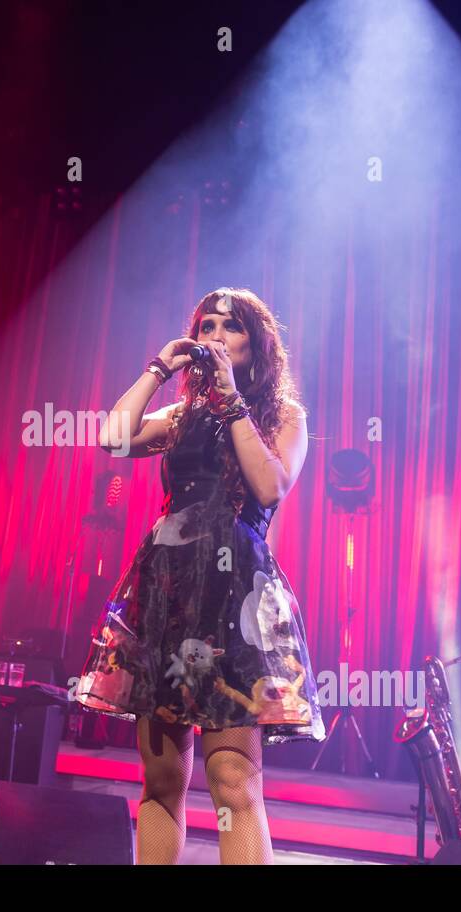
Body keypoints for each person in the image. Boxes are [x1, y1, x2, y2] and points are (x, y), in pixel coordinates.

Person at [73, 287, 324, 864]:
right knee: (161, 782)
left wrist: (232, 401)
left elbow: (269, 488)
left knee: (232, 781)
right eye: (205, 325)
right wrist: (159, 368)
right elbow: (112, 439)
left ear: (255, 346)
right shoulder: (182, 415)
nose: (213, 335)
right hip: (167, 591)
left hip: (233, 595)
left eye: (228, 327)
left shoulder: (284, 417)